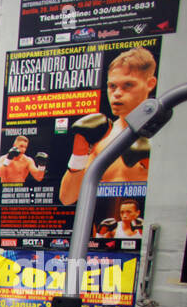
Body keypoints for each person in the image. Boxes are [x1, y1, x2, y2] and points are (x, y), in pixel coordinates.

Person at [58, 47, 157, 206]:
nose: (117, 93)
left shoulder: (165, 133)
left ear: (150, 84)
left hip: (147, 226)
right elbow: (67, 198)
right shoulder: (104, 135)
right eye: (112, 86)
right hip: (102, 229)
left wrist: (151, 164)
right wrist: (79, 152)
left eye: (128, 85)